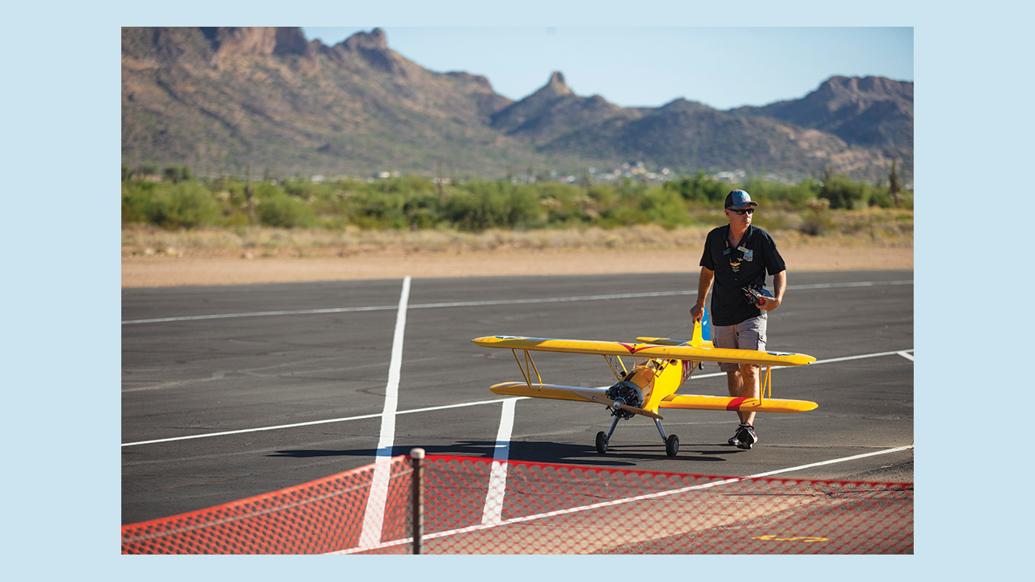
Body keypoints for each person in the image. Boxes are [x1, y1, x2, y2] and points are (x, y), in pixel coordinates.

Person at [689, 189, 787, 450]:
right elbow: (707, 272)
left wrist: (776, 299)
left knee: (751, 367)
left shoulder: (761, 238)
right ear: (727, 213)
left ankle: (748, 427)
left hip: (751, 314)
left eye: (750, 210)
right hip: (721, 314)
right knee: (732, 371)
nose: (747, 215)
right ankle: (743, 425)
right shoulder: (715, 238)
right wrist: (700, 303)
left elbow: (779, 270)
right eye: (742, 210)